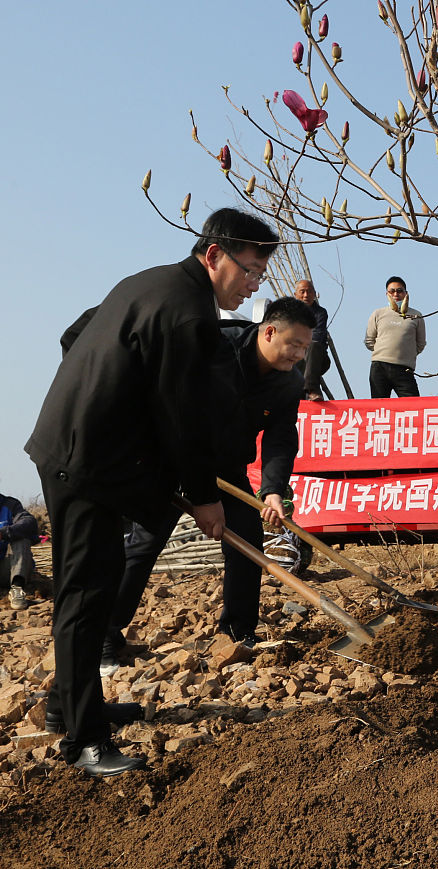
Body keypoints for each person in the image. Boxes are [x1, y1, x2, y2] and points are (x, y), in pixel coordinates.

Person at [25, 208, 278, 777]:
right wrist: (203, 498)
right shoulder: (186, 313)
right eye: (250, 270)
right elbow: (181, 418)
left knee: (95, 581)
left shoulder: (150, 282)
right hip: (87, 464)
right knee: (86, 593)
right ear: (214, 255)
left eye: (261, 275)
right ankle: (85, 742)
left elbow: (77, 334)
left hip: (81, 452)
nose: (254, 283)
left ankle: (70, 704)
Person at [94, 296, 313, 681]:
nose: (298, 355)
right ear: (269, 331)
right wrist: (196, 494)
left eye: (305, 348)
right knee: (144, 544)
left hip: (226, 467)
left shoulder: (289, 381)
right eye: (293, 345)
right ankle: (105, 636)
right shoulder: (214, 348)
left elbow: (281, 438)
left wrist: (274, 490)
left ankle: (237, 632)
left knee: (247, 538)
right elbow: (169, 406)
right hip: (170, 459)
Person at [365, 276, 425, 398]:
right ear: (387, 293)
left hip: (405, 369)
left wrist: (406, 353)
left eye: (399, 290)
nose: (396, 294)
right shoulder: (378, 313)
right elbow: (369, 340)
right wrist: (384, 352)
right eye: (392, 291)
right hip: (380, 367)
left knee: (413, 408)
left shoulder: (416, 315)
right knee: (379, 410)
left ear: (406, 293)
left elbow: (420, 343)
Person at [0, 492, 39, 611]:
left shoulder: (11, 505)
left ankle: (17, 588)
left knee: (21, 537)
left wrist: (4, 533)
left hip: (9, 569)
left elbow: (29, 522)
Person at [293, 278, 330, 401]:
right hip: (293, 356)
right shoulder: (287, 313)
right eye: (302, 291)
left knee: (313, 345)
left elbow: (317, 337)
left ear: (314, 294)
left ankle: (311, 389)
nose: (305, 295)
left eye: (309, 292)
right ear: (295, 295)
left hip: (316, 358)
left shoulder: (320, 313)